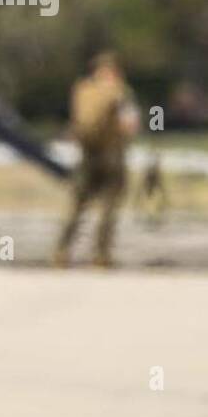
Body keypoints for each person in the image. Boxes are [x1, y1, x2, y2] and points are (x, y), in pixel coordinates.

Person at [53, 52, 139, 268]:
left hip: (87, 156)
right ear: (115, 71)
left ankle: (61, 251)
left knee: (77, 206)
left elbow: (77, 123)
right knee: (109, 207)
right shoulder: (120, 92)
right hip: (111, 157)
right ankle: (101, 255)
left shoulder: (83, 90)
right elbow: (129, 125)